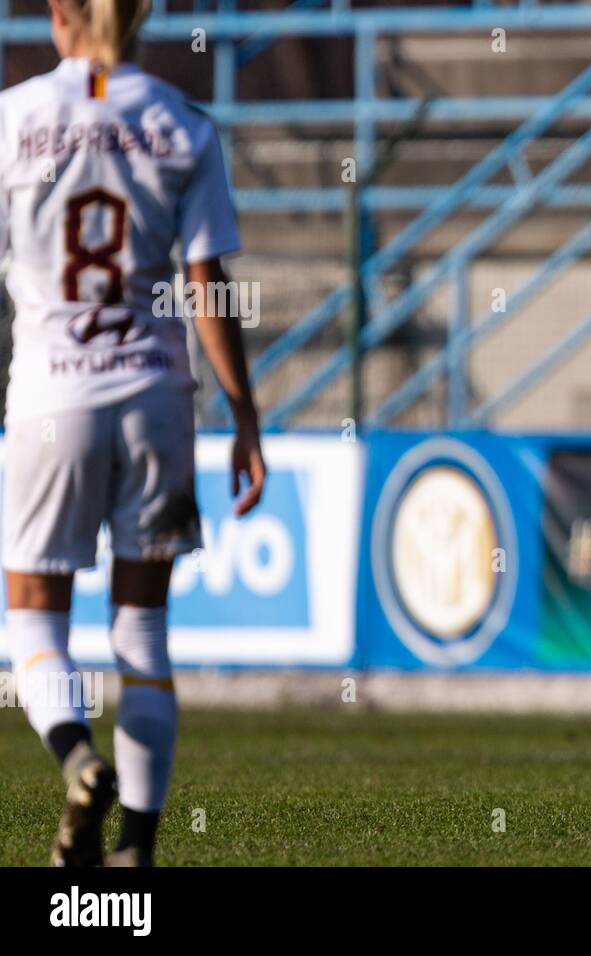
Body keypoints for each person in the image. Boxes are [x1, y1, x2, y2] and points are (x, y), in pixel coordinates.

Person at [0, 0, 266, 865]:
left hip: (52, 397)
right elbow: (206, 283)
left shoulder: (14, 119)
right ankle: (137, 853)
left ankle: (79, 758)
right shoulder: (183, 123)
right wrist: (245, 413)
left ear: (63, 16)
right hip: (158, 390)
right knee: (142, 628)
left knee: (33, 615)